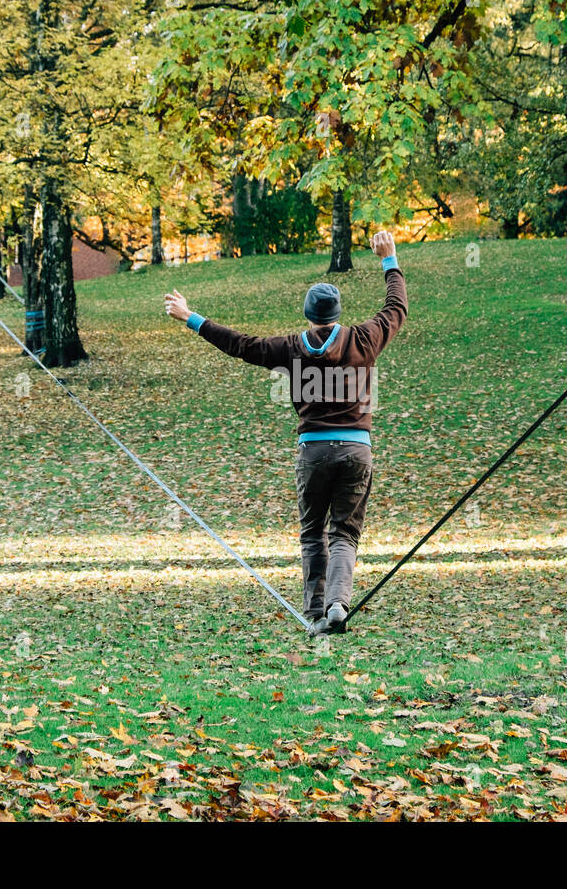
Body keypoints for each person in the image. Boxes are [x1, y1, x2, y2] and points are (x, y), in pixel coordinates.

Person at [164, 231, 408, 635]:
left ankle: (315, 613)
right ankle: (336, 606)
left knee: (314, 532)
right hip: (356, 450)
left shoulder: (290, 347)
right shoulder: (363, 339)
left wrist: (191, 317)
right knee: (345, 532)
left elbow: (240, 344)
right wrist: (389, 259)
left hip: (313, 452)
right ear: (338, 313)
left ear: (308, 314)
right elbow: (396, 307)